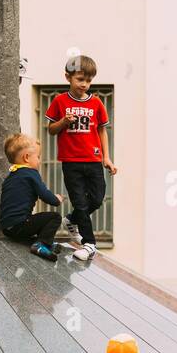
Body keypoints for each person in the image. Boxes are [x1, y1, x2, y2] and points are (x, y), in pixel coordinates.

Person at [46, 53, 116, 261]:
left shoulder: (96, 104)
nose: (85, 84)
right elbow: (51, 130)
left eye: (89, 80)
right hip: (71, 162)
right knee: (81, 202)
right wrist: (64, 122)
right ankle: (89, 243)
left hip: (93, 160)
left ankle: (72, 219)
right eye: (80, 79)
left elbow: (102, 131)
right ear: (67, 77)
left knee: (97, 198)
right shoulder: (59, 101)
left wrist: (107, 158)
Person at [0, 133, 64, 262]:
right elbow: (45, 195)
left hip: (7, 228)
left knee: (35, 220)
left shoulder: (11, 176)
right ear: (27, 157)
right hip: (20, 225)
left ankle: (45, 242)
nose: (39, 161)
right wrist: (56, 199)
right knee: (54, 217)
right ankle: (41, 244)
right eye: (38, 157)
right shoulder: (31, 174)